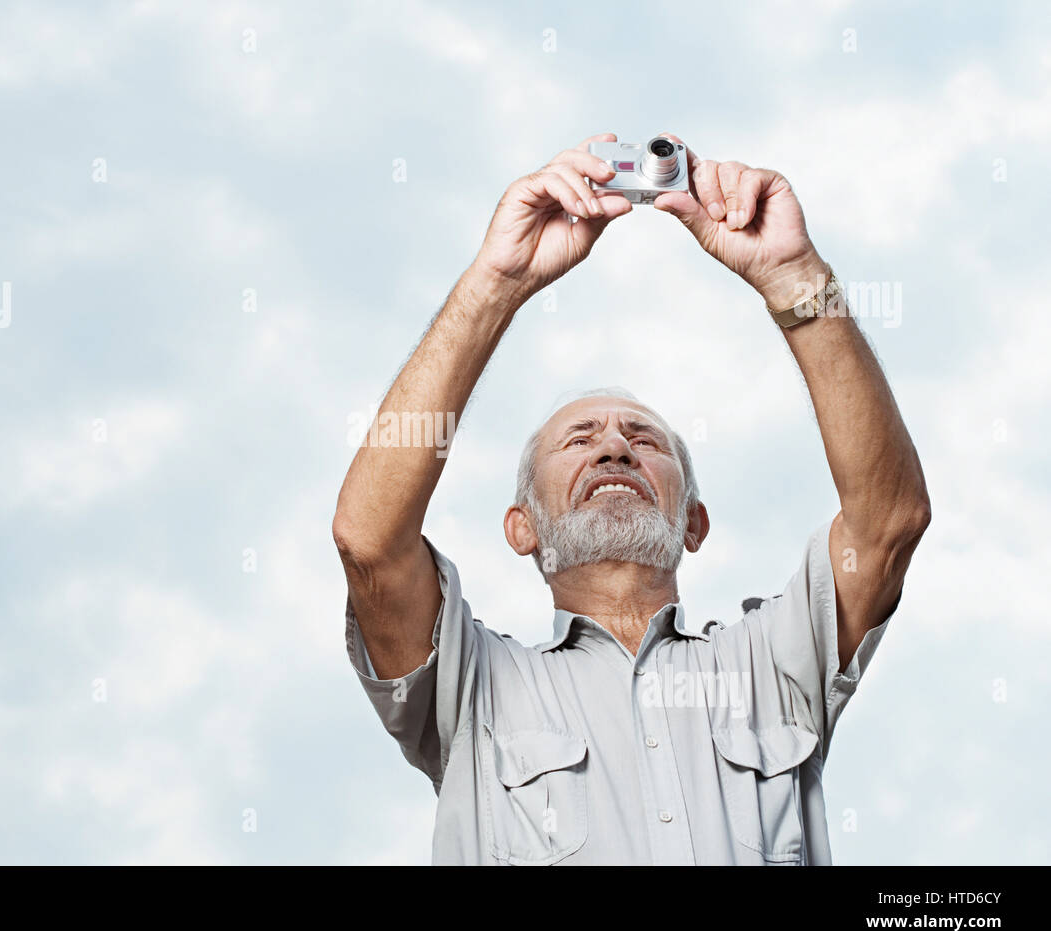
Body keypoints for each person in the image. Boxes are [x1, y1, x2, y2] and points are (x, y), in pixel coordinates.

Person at [332, 132, 930, 865]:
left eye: (645, 440)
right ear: (522, 529)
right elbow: (370, 541)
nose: (615, 447)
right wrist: (497, 282)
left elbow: (888, 522)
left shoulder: (773, 667)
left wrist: (795, 276)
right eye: (579, 438)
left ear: (694, 523)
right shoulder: (473, 691)